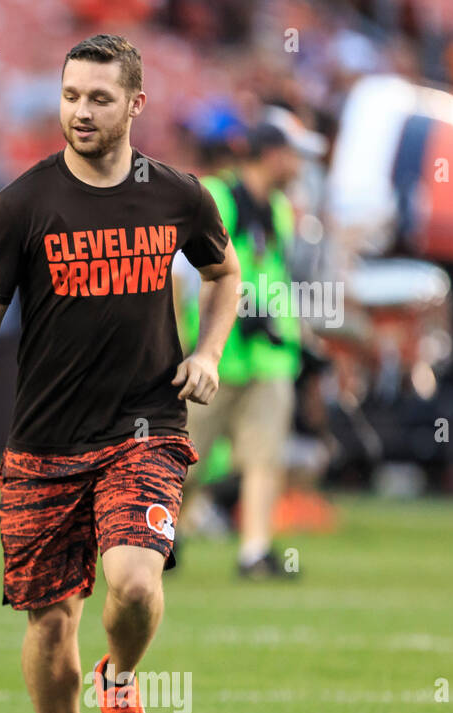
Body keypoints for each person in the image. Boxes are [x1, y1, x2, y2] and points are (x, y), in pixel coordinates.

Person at [0, 35, 240, 713]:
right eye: (72, 96)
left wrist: (208, 351)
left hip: (145, 425)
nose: (81, 111)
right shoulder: (23, 203)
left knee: (137, 583)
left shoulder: (178, 196)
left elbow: (224, 272)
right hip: (43, 440)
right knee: (50, 624)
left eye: (100, 98)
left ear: (136, 105)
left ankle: (118, 678)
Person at [175, 121, 307, 576]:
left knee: (264, 456)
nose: (299, 164)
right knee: (186, 457)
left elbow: (274, 275)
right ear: (270, 154)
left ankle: (255, 551)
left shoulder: (281, 208)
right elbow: (182, 273)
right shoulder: (216, 196)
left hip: (270, 354)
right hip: (215, 353)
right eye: (293, 153)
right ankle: (162, 535)